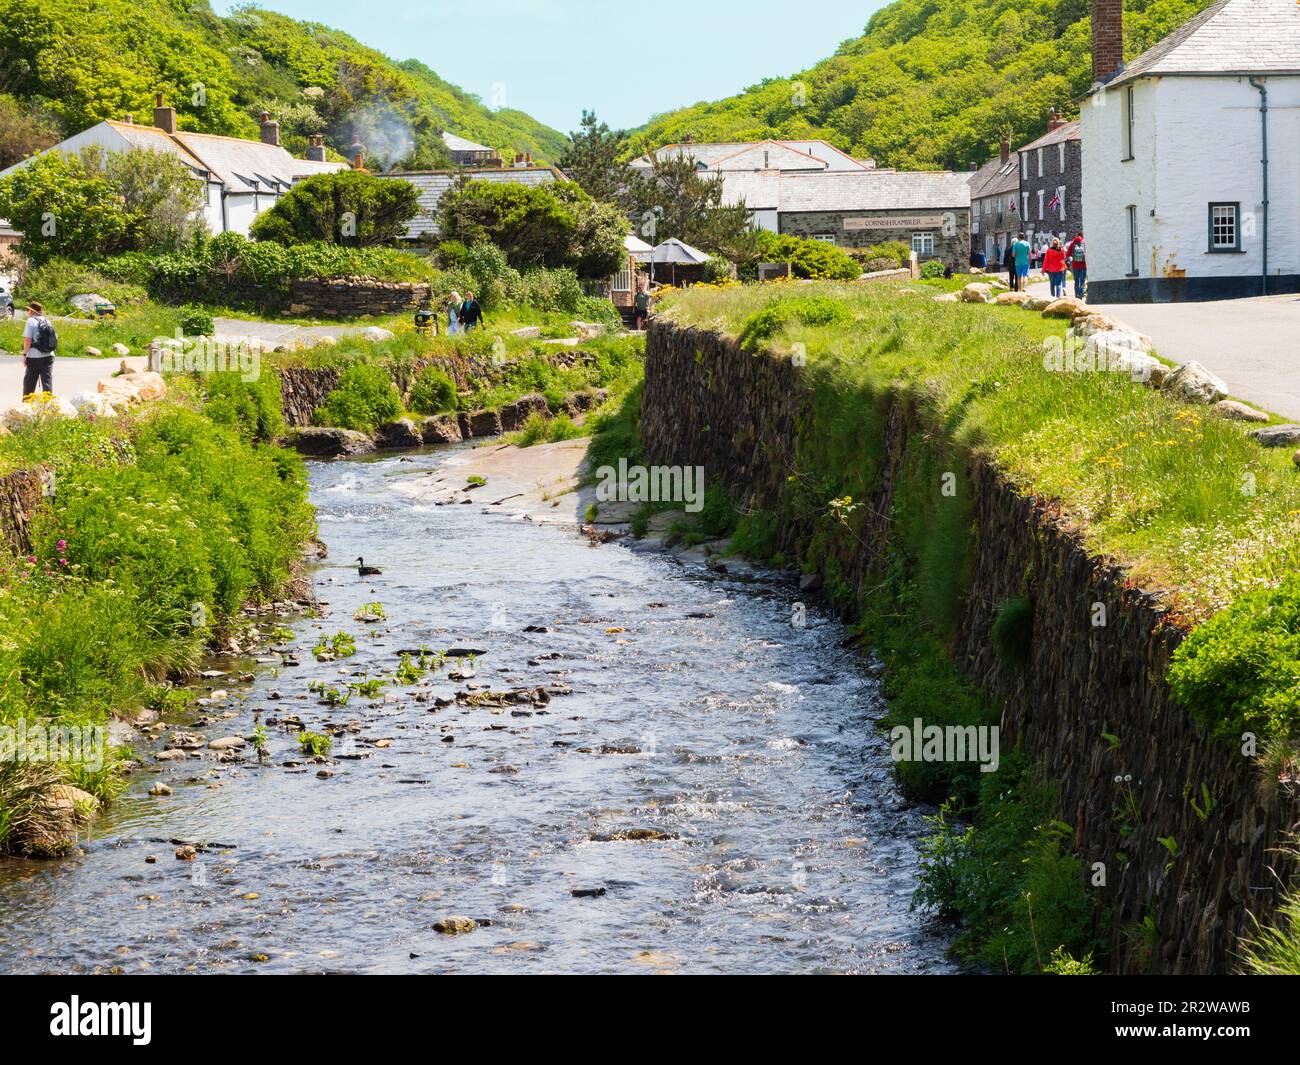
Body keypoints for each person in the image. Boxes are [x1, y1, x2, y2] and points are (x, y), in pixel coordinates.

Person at [21, 300, 57, 398]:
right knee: (47, 381)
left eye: (28, 310)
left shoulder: (30, 321)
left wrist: (24, 354)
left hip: (34, 357)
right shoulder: (47, 321)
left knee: (30, 382)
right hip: (49, 355)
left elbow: (28, 340)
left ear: (32, 311)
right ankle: (48, 406)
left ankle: (27, 406)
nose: (28, 312)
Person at [1065, 230, 1087, 301]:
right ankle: (1081, 294)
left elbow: (1068, 254)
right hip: (1083, 265)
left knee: (1076, 281)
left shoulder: (1073, 243)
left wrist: (1071, 260)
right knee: (1082, 280)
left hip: (1075, 265)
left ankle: (1077, 295)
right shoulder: (1085, 243)